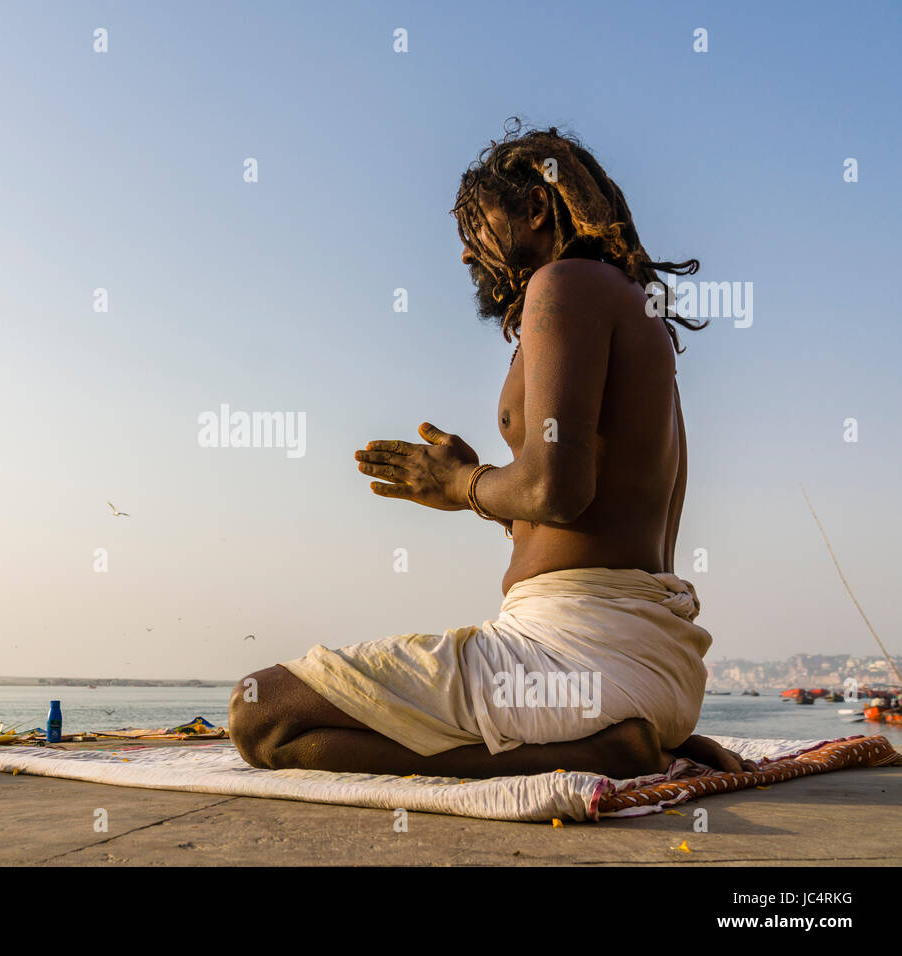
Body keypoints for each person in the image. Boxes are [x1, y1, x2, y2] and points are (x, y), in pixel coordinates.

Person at [229, 121, 755, 779]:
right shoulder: (622, 307)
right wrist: (482, 495)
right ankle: (622, 741)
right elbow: (581, 514)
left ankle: (591, 753)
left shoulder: (566, 283)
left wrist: (464, 484)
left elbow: (557, 491)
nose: (463, 255)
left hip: (579, 660)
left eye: (473, 229)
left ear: (534, 208)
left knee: (262, 714)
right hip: (649, 667)